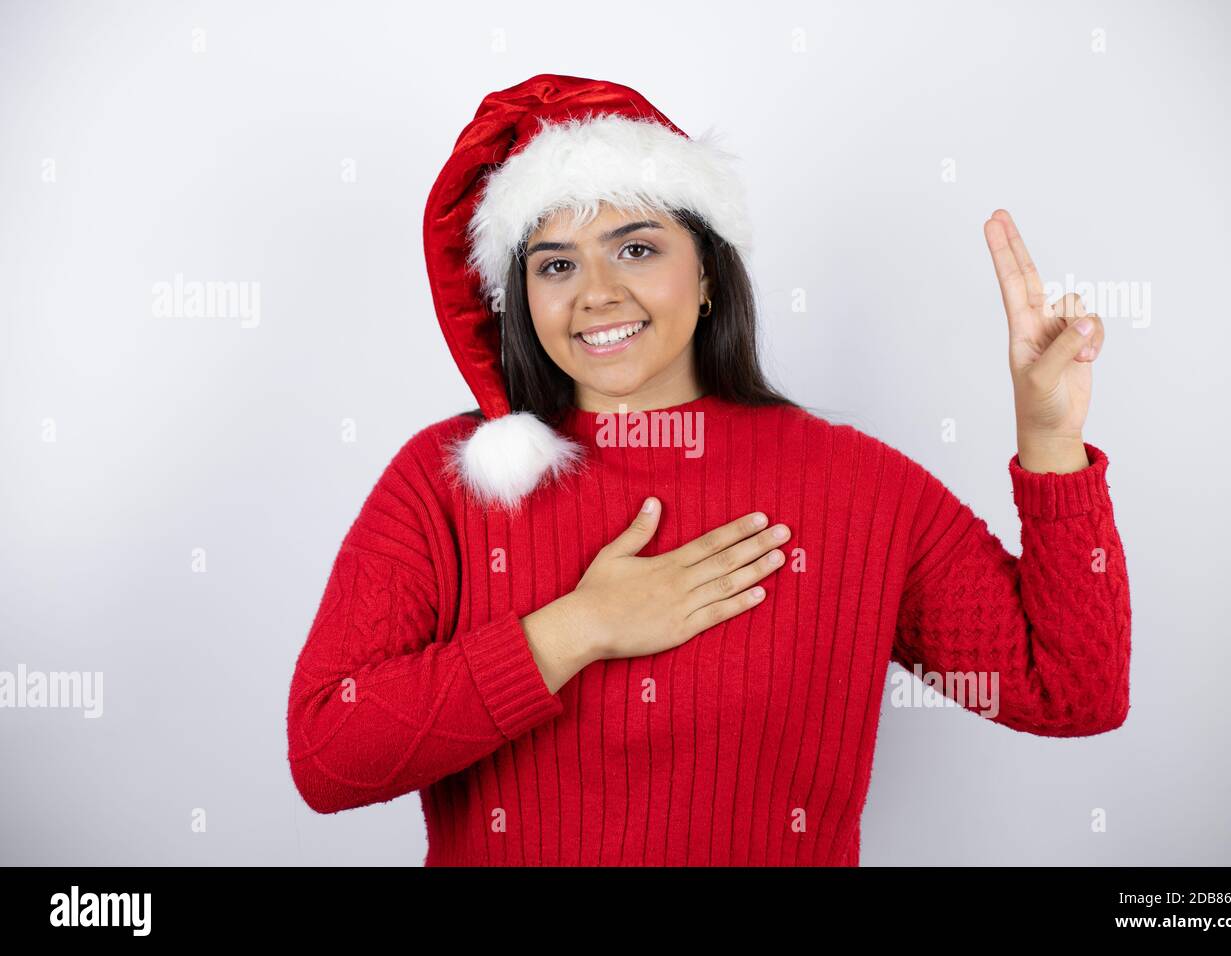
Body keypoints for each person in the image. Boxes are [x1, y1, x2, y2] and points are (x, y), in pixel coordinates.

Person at [285, 74, 1131, 866]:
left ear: (708, 277)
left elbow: (1071, 692)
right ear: (522, 297)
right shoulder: (446, 483)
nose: (597, 293)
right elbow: (328, 754)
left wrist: (1049, 439)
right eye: (555, 264)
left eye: (638, 249)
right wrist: (577, 629)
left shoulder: (857, 487)